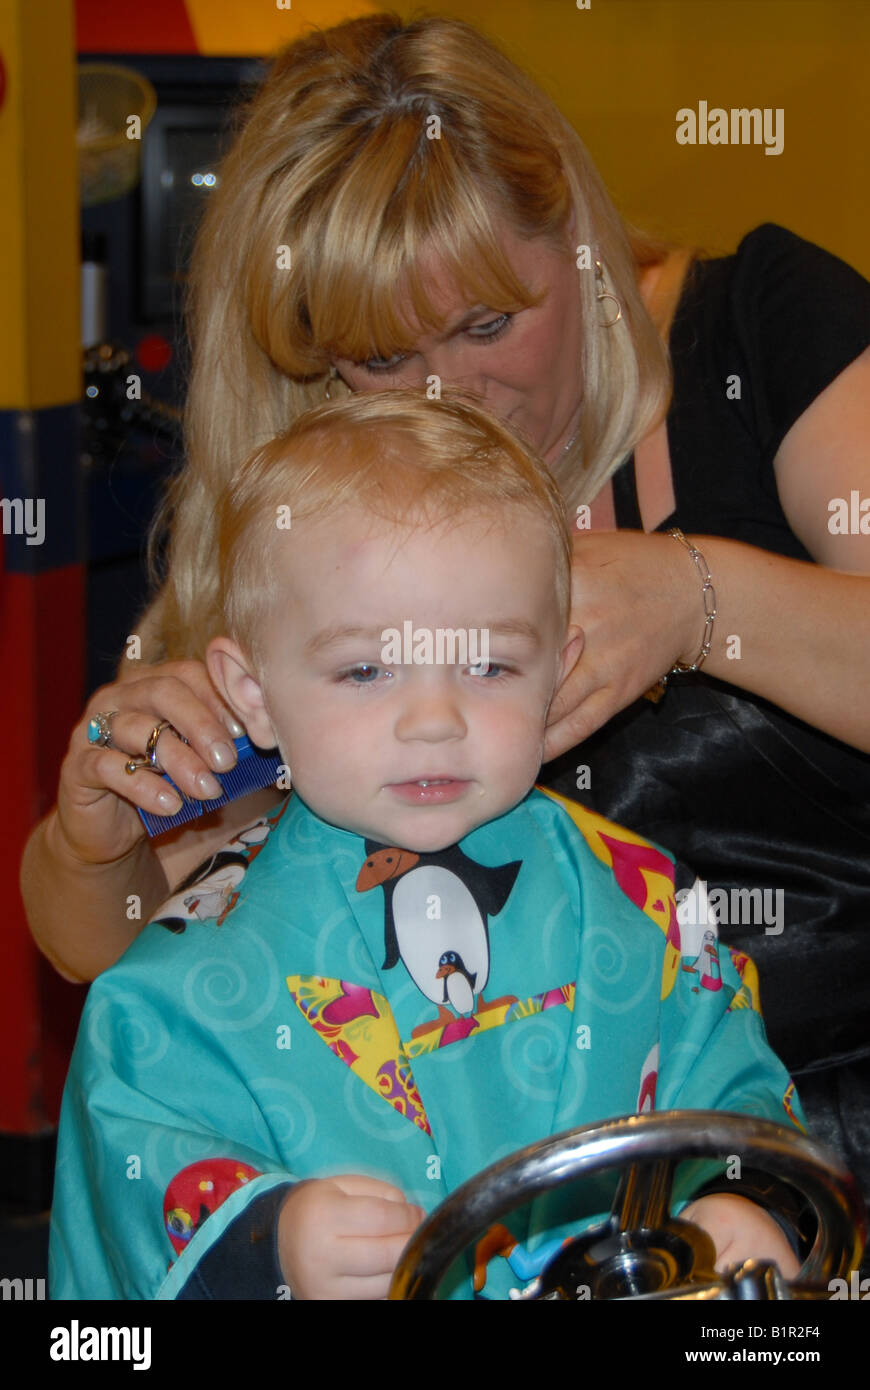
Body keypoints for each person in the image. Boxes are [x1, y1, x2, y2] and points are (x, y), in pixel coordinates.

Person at [22, 13, 870, 1195]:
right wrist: (89, 841)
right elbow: (126, 947)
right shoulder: (321, 513)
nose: (448, 396)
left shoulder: (765, 331)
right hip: (480, 1198)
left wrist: (699, 601)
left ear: (574, 238)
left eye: (488, 324)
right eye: (379, 358)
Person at [49, 394, 805, 1301]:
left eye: (490, 666)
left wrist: (737, 1202)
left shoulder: (645, 903)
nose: (436, 720)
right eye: (366, 670)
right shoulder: (187, 981)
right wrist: (267, 1243)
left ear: (558, 674)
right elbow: (133, 1151)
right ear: (252, 695)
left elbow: (731, 1084)